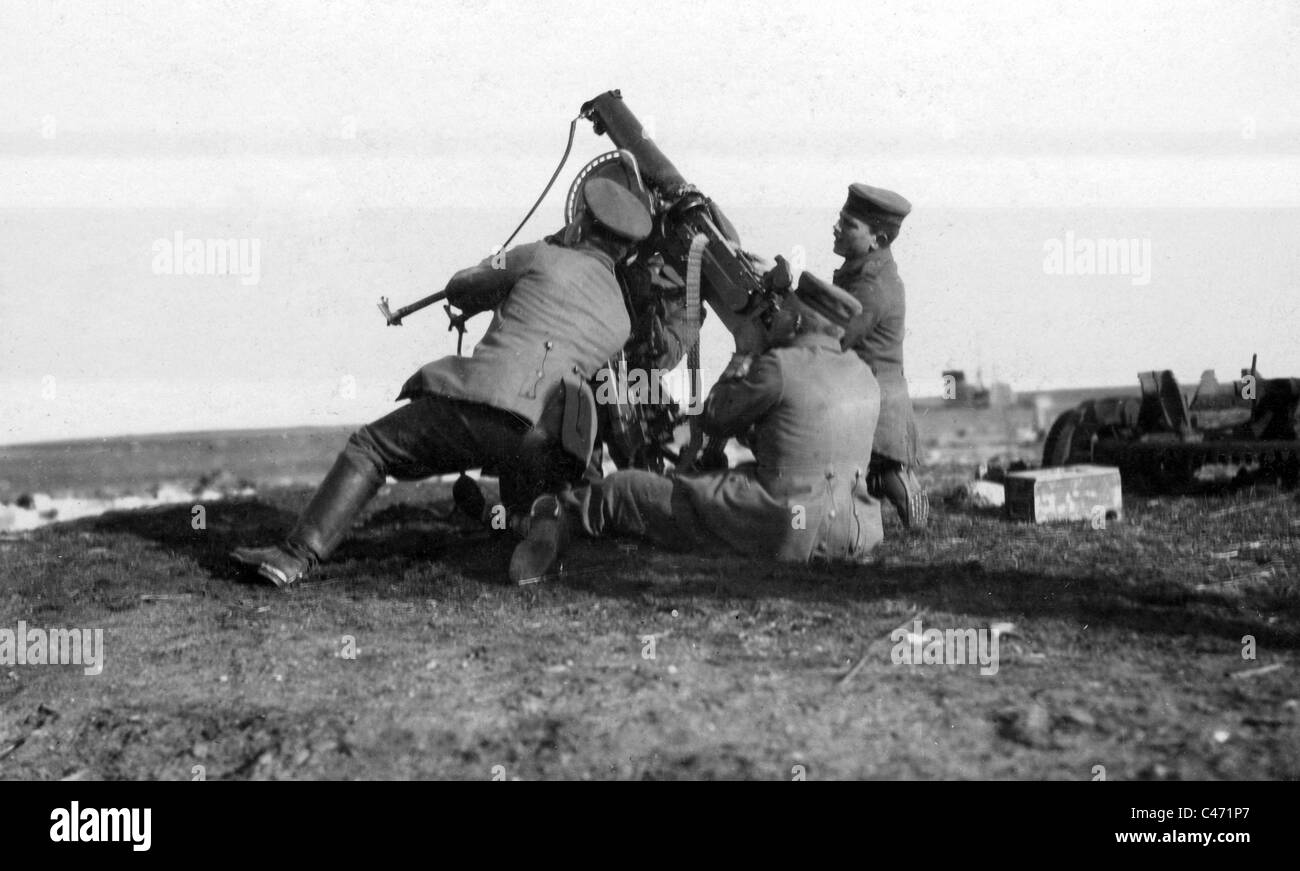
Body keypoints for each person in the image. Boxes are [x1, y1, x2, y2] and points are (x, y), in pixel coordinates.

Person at [230, 178, 653, 587]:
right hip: (553, 439)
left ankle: (296, 555)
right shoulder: (620, 317)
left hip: (493, 405)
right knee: (522, 463)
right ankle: (538, 521)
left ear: (578, 222)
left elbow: (463, 286)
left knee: (371, 447)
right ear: (626, 248)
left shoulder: (541, 256)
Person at [510, 271, 885, 579]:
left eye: (783, 311)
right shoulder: (863, 374)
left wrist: (744, 353)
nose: (777, 317)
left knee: (625, 489)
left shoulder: (781, 367)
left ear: (798, 320)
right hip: (855, 532)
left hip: (782, 530)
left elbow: (716, 415)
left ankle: (548, 524)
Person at [830, 182, 928, 528]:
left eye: (849, 223)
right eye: (840, 218)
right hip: (870, 396)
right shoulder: (865, 272)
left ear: (878, 239)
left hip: (876, 406)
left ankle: (917, 522)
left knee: (890, 475)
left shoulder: (871, 286)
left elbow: (833, 339)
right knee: (877, 474)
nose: (837, 227)